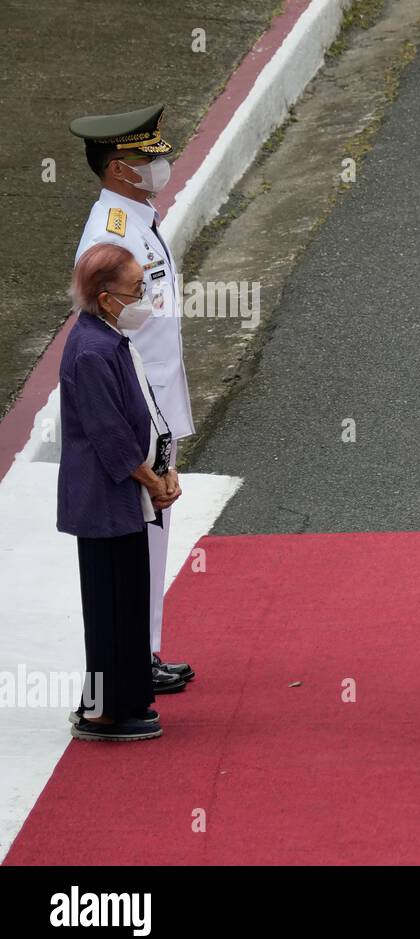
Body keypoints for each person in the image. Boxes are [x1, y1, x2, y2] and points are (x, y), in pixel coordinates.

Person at [69, 104, 195, 693]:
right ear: (121, 169)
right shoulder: (110, 235)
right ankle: (134, 659)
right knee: (143, 528)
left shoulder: (137, 217)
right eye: (149, 157)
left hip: (156, 399)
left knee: (155, 530)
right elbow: (111, 336)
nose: (161, 164)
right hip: (135, 405)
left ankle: (143, 650)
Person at [60, 243, 182, 741]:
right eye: (136, 290)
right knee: (110, 604)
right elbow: (110, 434)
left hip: (124, 496)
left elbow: (144, 412)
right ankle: (103, 713)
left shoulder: (108, 337)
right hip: (103, 499)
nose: (144, 298)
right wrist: (153, 480)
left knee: (128, 598)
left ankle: (129, 698)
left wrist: (164, 469)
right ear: (107, 298)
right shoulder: (91, 351)